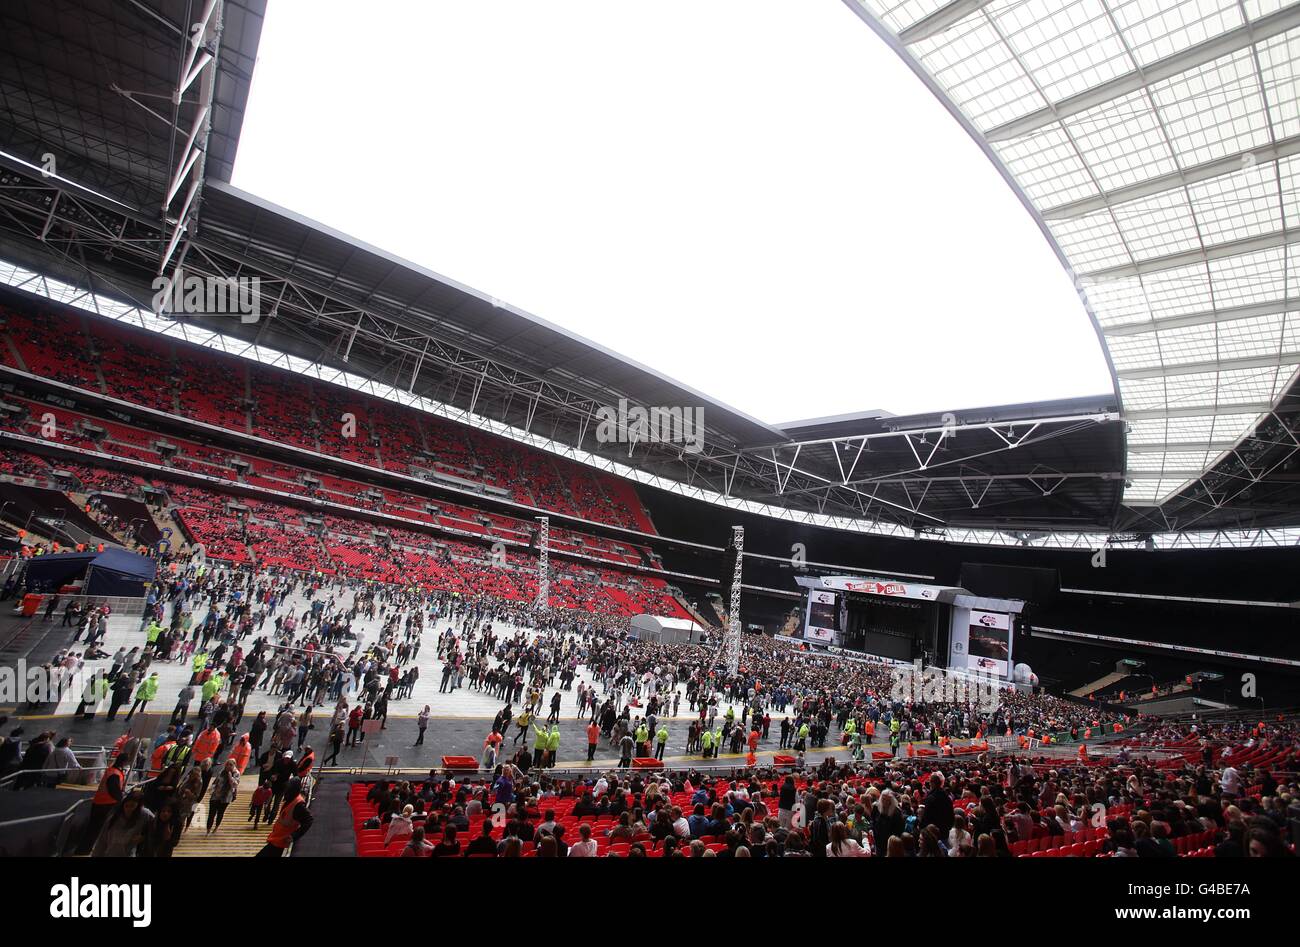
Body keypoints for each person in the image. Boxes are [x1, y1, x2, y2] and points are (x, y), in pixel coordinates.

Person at [256, 777, 313, 856]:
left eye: (288, 788)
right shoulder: (290, 800)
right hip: (277, 840)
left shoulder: (298, 805)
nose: (286, 790)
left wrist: (294, 836)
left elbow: (309, 820)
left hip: (282, 843)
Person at [91, 790, 154, 857]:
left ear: (138, 806)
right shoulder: (114, 818)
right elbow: (101, 841)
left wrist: (144, 837)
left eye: (132, 806)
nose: (128, 809)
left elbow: (158, 826)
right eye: (126, 806)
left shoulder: (145, 815)